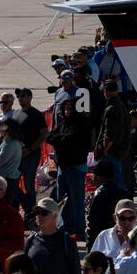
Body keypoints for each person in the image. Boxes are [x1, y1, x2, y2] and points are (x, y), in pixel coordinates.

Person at [44, 98, 90, 237]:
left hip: (75, 168)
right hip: (62, 168)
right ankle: (66, 228)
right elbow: (50, 137)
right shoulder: (64, 123)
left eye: (70, 109)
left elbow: (71, 141)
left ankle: (79, 230)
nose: (67, 111)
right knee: (62, 200)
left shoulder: (81, 125)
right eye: (65, 109)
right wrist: (61, 140)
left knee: (76, 201)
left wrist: (60, 140)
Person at [24, 197, 80, 274]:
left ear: (55, 216)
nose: (39, 216)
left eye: (44, 213)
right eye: (37, 212)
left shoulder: (67, 242)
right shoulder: (30, 240)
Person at [14, 89, 47, 215]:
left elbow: (43, 134)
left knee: (28, 184)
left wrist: (31, 149)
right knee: (13, 184)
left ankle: (31, 212)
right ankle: (24, 207)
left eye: (23, 96)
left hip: (31, 155)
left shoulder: (36, 115)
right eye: (18, 96)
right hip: (17, 155)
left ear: (30, 97)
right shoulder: (16, 114)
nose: (20, 98)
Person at [85, 159, 126, 250]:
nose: (92, 178)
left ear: (99, 177)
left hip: (101, 242)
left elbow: (91, 224)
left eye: (94, 175)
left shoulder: (97, 196)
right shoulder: (125, 194)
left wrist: (90, 247)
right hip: (121, 241)